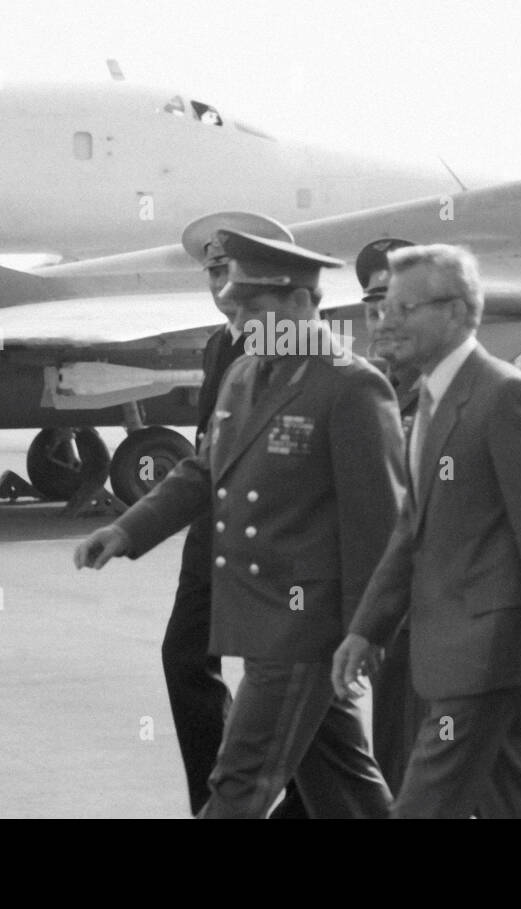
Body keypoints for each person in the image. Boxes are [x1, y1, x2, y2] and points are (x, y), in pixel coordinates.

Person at [77, 230, 404, 818]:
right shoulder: (245, 375)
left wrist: (368, 631)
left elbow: (377, 523)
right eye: (235, 309)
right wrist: (129, 530)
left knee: (238, 783)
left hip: (304, 629)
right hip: (257, 616)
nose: (240, 321)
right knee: (344, 785)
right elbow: (205, 469)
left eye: (253, 309)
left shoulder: (349, 386)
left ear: (301, 302)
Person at [332, 243, 521, 818]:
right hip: (453, 651)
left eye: (404, 309)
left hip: (484, 654)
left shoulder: (503, 396)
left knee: (422, 805)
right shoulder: (431, 397)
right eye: (384, 308)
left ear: (454, 312)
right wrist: (368, 628)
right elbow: (412, 532)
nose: (386, 321)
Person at [162, 211, 298, 816]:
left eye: (233, 272)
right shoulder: (221, 345)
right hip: (212, 531)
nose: (222, 286)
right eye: (213, 272)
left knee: (291, 686)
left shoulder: (302, 350)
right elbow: (208, 452)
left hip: (276, 536)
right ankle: (215, 802)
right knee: (185, 656)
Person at [354, 237, 429, 796]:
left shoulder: (464, 391)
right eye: (372, 306)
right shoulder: (366, 391)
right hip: (386, 602)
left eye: (396, 305)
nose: (381, 320)